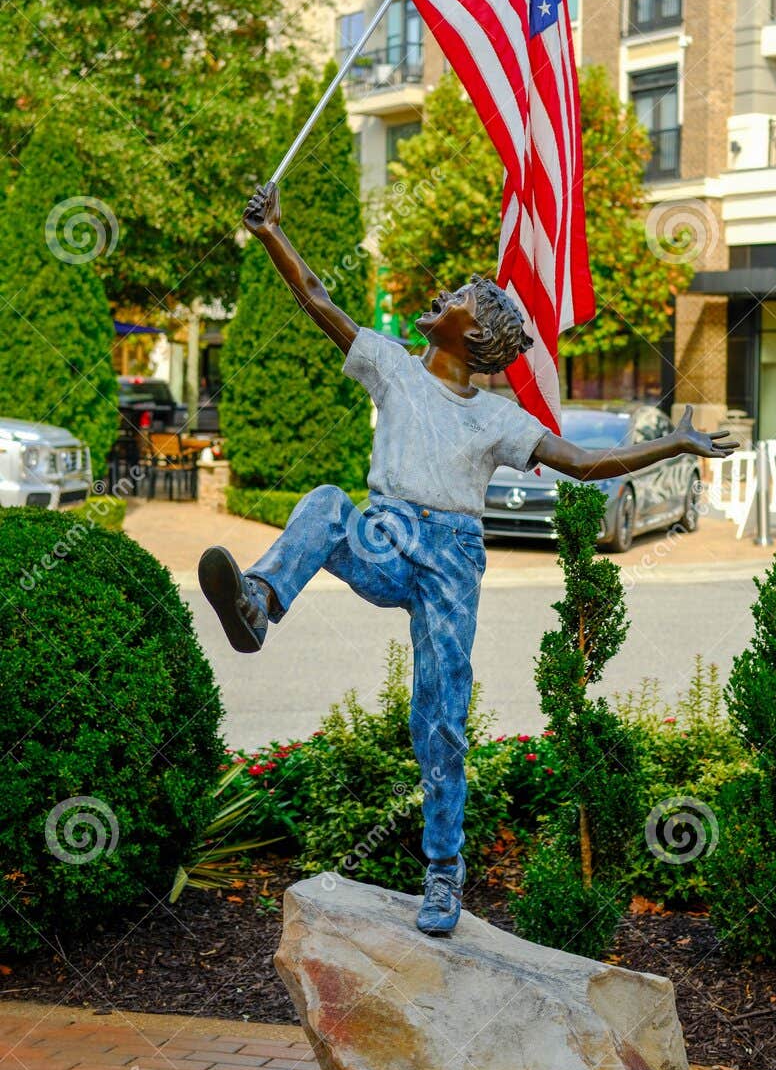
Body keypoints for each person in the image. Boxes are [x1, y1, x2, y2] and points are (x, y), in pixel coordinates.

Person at [199, 181, 738, 937]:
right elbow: (317, 298)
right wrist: (270, 234)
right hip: (386, 536)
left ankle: (444, 871)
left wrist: (674, 443)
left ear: (475, 333)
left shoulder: (495, 417)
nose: (441, 297)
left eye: (456, 298)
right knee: (324, 503)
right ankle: (258, 602)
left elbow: (582, 463)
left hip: (451, 562)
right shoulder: (391, 366)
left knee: (440, 720)